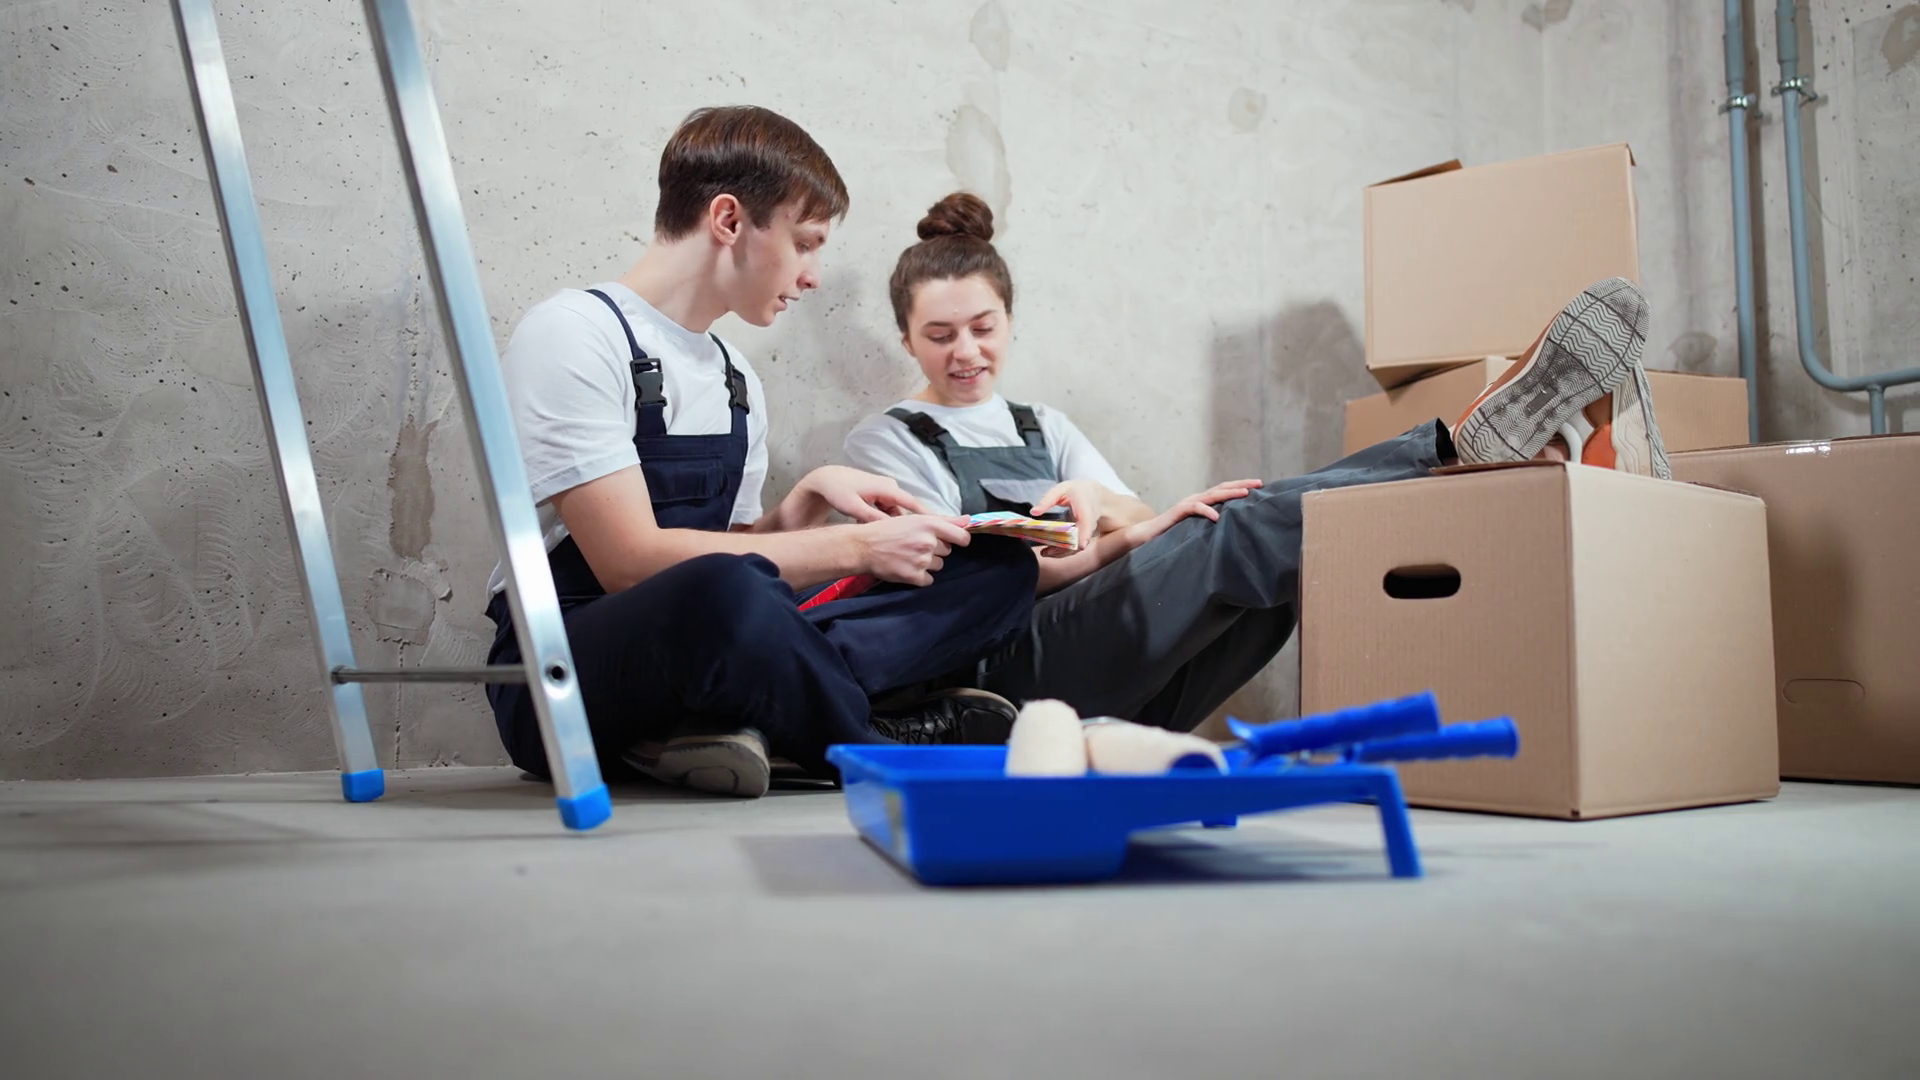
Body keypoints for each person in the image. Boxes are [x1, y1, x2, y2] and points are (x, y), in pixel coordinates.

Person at [843, 192, 1668, 731]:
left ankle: (1510, 455)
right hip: (998, 678)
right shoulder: (888, 441)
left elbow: (1135, 513)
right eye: (940, 335)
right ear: (907, 338)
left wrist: (1103, 502)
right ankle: (1461, 451)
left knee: (1280, 566)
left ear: (1010, 319)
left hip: (1108, 679)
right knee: (1232, 531)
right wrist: (1116, 537)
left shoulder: (1041, 423)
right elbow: (955, 589)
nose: (965, 352)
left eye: (982, 327)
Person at [483, 112, 1040, 800]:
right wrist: (856, 550)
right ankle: (869, 742)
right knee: (728, 595)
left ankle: (732, 722)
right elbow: (628, 563)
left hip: (715, 635)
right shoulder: (575, 334)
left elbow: (732, 550)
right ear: (729, 220)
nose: (812, 276)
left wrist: (803, 503)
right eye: (805, 244)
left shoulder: (734, 380)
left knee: (996, 568)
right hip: (562, 675)